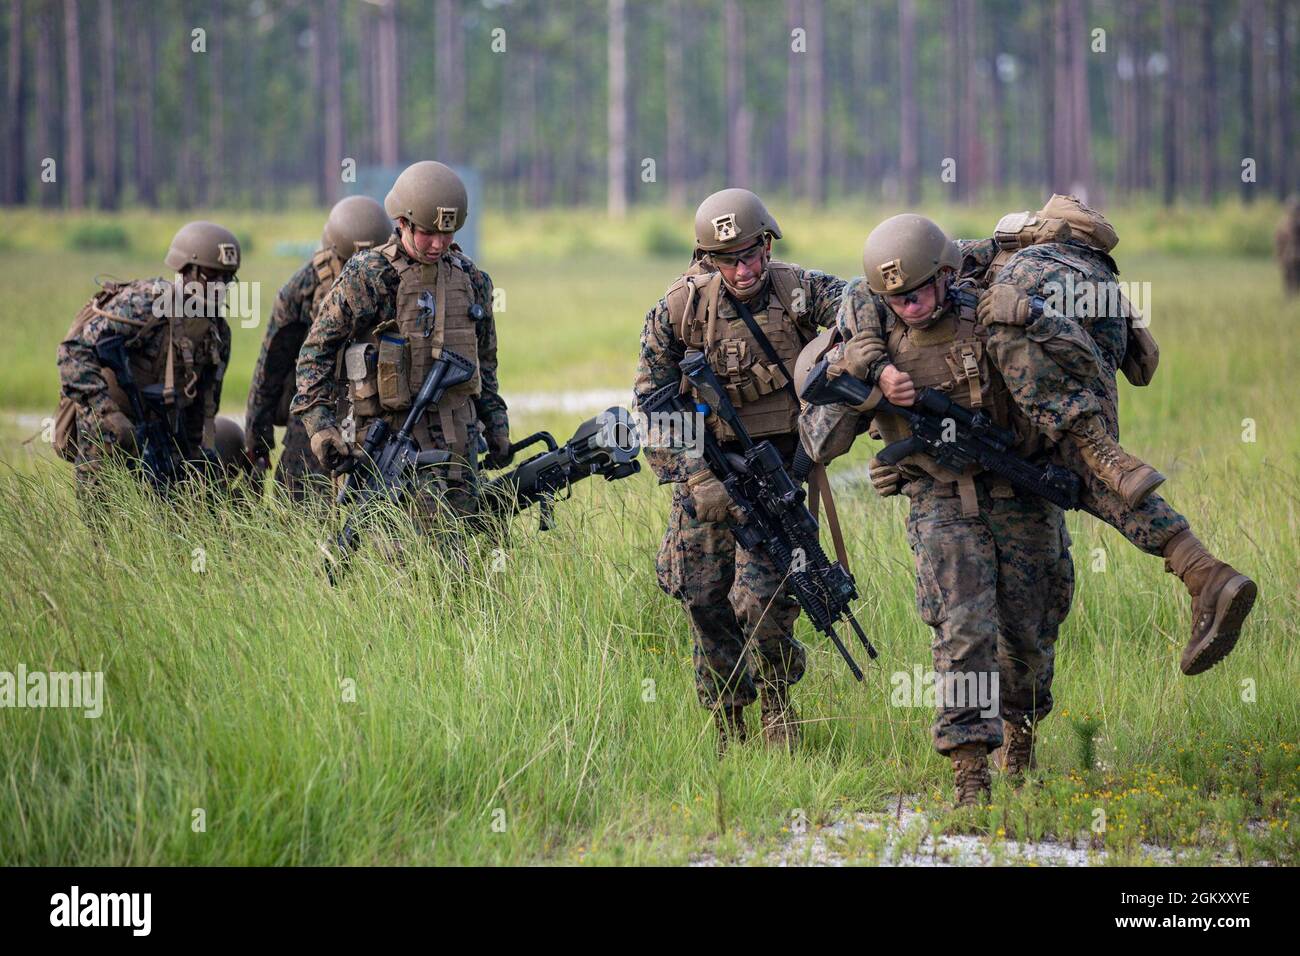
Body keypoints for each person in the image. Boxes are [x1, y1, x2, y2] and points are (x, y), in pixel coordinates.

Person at [633, 187, 846, 755]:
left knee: (767, 602)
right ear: (707, 259)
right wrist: (696, 476)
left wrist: (818, 433)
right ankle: (728, 718)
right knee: (704, 598)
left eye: (753, 254)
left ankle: (777, 701)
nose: (744, 269)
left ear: (769, 243)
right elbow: (652, 404)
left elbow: (866, 324)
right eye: (728, 260)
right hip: (705, 477)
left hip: (776, 476)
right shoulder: (677, 311)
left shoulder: (801, 291)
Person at [245, 195, 392, 501]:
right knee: (303, 511)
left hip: (369, 410)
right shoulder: (302, 288)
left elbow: (269, 367)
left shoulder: (394, 278)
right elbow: (271, 366)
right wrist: (257, 439)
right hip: (317, 410)